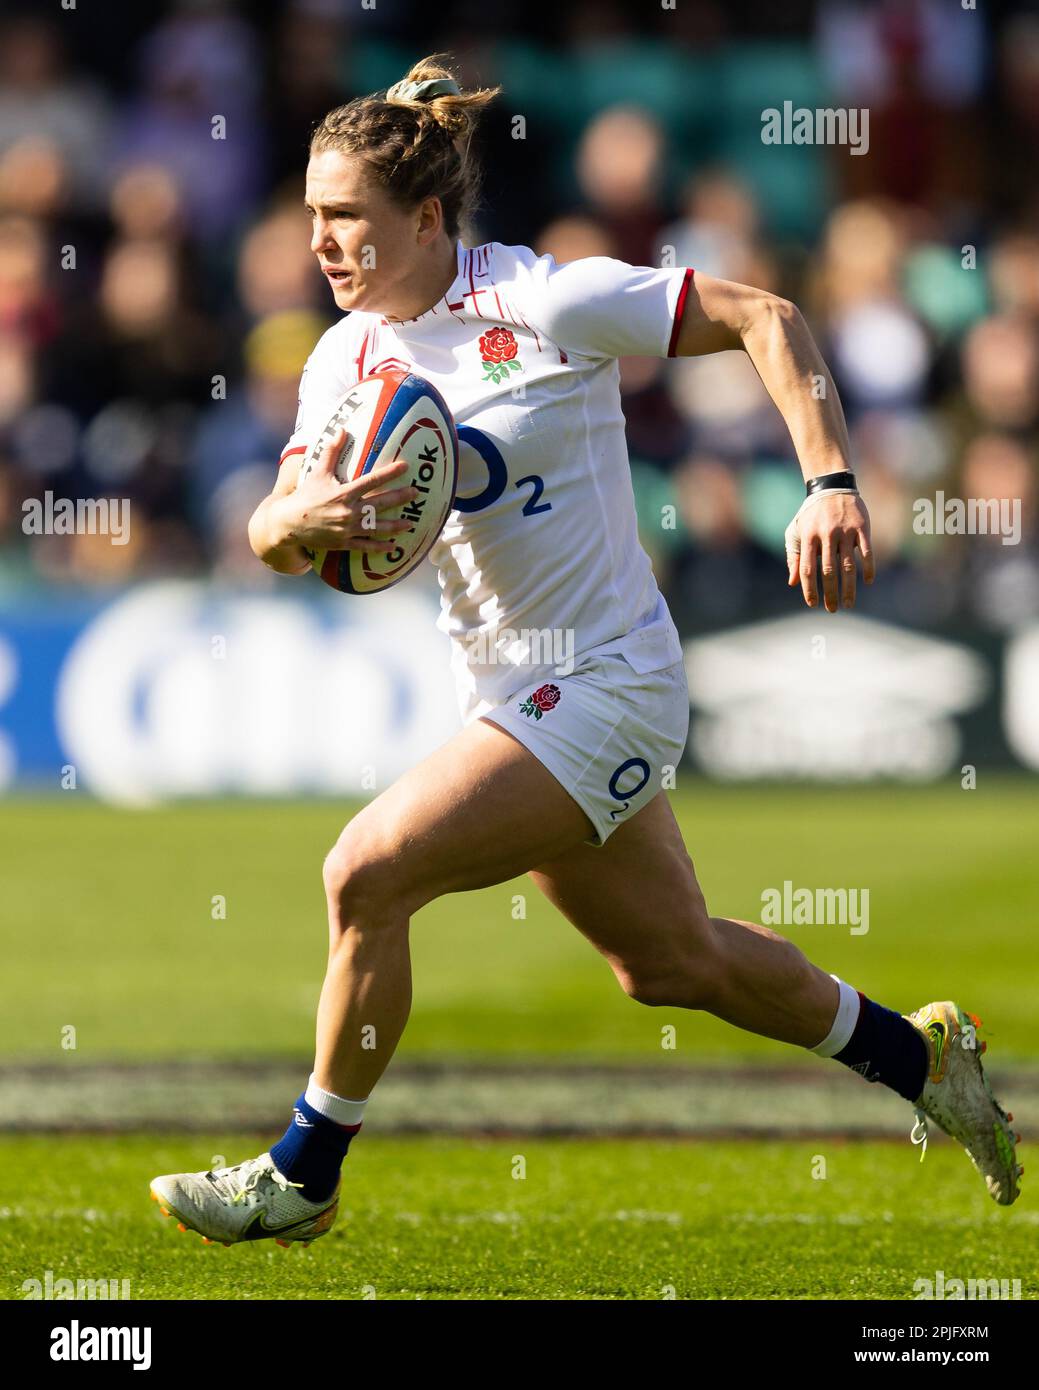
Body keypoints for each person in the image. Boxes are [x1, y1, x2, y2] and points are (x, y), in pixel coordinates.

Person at [150, 57, 1020, 1248]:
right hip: (508, 694)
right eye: (309, 214)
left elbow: (767, 317)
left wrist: (826, 482)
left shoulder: (543, 303)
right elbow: (277, 524)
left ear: (424, 217)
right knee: (672, 965)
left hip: (611, 683)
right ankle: (922, 1060)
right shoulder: (341, 357)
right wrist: (286, 524)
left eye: (345, 215)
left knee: (365, 874)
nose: (321, 240)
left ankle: (303, 1173)